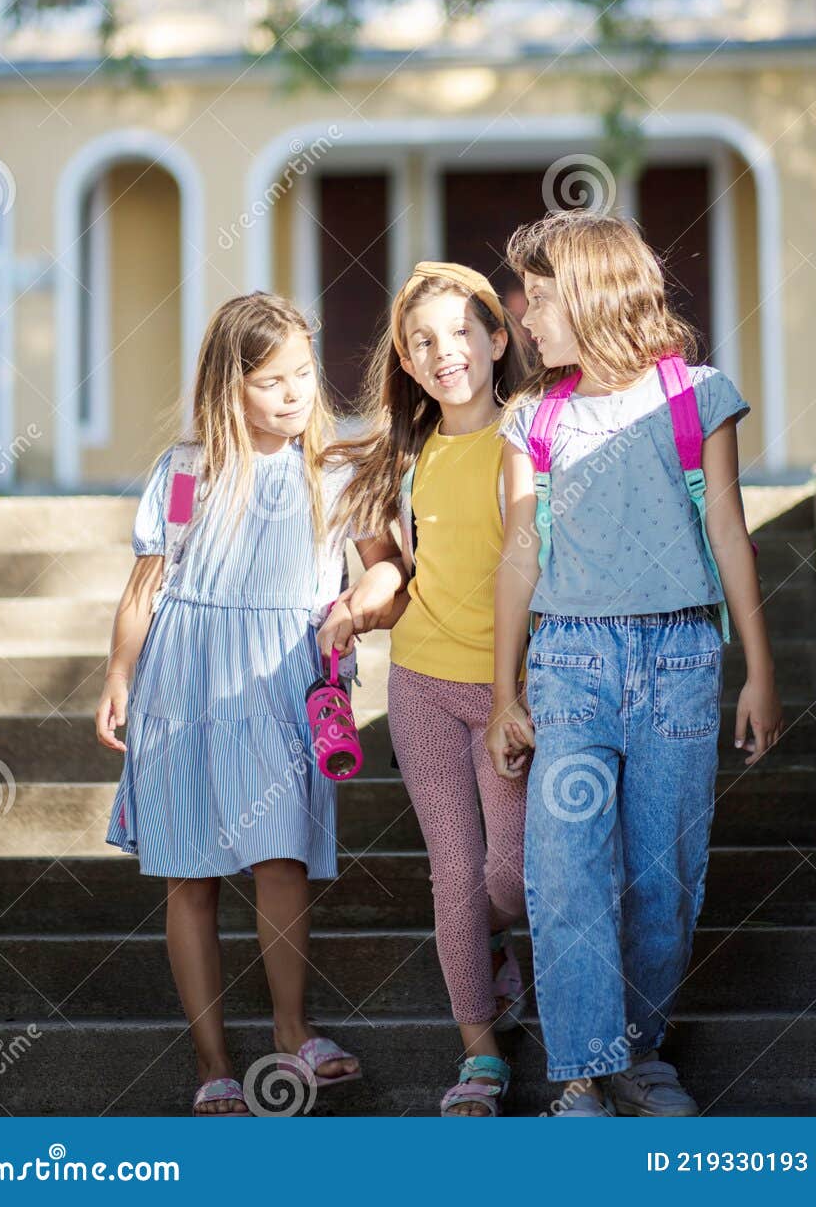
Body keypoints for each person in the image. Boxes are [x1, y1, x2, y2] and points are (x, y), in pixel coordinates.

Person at [488, 211, 784, 1117]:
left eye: (539, 300)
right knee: (565, 869)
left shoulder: (694, 397)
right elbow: (517, 555)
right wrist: (504, 692)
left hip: (681, 658)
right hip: (569, 661)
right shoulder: (531, 417)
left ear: (590, 292)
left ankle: (640, 1052)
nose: (525, 319)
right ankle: (581, 1067)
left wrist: (760, 672)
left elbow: (729, 533)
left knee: (665, 872)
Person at [98, 293, 401, 1115]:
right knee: (191, 875)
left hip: (281, 683)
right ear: (229, 388)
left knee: (280, 857)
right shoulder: (190, 474)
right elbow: (150, 582)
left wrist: (359, 602)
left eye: (303, 374)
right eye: (271, 382)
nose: (294, 394)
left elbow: (385, 569)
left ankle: (292, 1031)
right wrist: (120, 674)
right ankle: (210, 1065)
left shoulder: (332, 470)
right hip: (185, 681)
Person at [324, 262, 535, 1116]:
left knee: (511, 875)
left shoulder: (532, 436)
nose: (442, 352)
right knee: (453, 877)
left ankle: (488, 961)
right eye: (422, 343)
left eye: (458, 334)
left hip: (510, 691)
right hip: (420, 687)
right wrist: (359, 604)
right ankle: (479, 1055)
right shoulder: (400, 461)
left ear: (495, 340)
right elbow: (387, 575)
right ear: (406, 365)